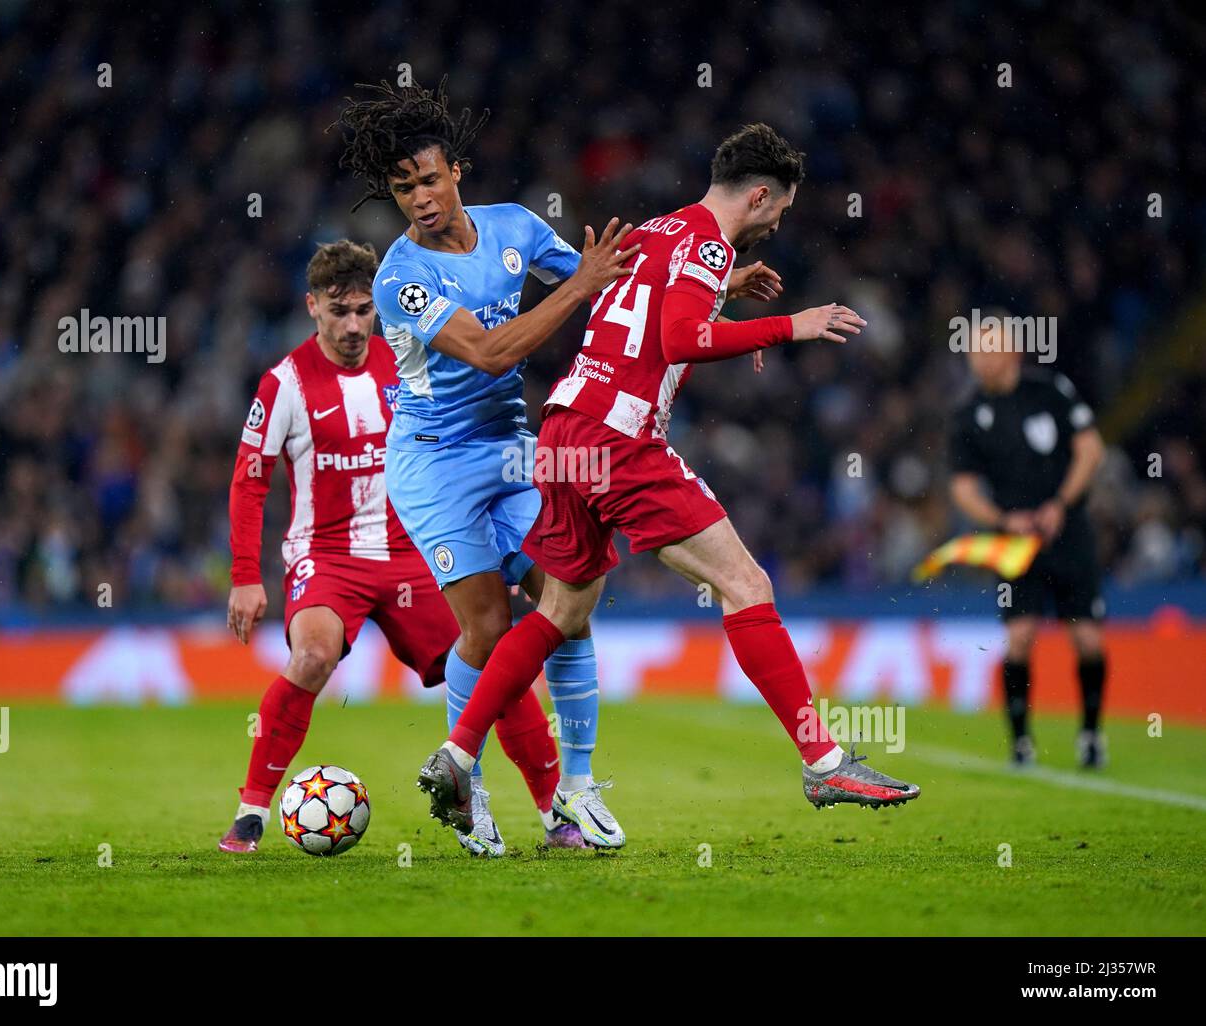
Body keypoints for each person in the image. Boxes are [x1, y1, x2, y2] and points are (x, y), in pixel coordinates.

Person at [416, 123, 921, 834]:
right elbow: (679, 337)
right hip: (620, 439)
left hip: (563, 432)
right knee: (747, 586)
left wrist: (726, 290)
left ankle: (457, 755)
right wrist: (787, 325)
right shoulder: (710, 244)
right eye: (780, 208)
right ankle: (824, 761)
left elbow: (647, 306)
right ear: (757, 195)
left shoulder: (659, 230)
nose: (779, 222)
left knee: (561, 611)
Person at [338, 77, 639, 850]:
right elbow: (491, 348)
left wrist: (718, 288)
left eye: (430, 179)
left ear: (457, 172)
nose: (420, 198)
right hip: (434, 465)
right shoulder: (398, 276)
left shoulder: (516, 227)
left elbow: (613, 284)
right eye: (404, 188)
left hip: (510, 456)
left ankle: (577, 789)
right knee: (489, 623)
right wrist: (578, 287)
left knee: (566, 603)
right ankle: (466, 790)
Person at [218, 240, 571, 854]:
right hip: (328, 558)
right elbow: (250, 480)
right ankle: (251, 814)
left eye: (363, 311)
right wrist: (246, 574)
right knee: (312, 657)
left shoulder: (410, 364)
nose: (354, 325)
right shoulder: (285, 384)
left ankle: (555, 813)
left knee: (492, 658)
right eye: (339, 312)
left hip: (415, 554)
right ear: (312, 308)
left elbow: (464, 444)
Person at [949, 319, 1108, 767]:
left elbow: (1091, 449)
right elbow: (962, 489)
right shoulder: (968, 414)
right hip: (1016, 546)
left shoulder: (1050, 391)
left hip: (1069, 535)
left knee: (1088, 640)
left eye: (987, 351)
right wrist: (1004, 519)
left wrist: (1060, 503)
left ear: (1012, 353)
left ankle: (1092, 734)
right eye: (973, 353)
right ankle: (1020, 740)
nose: (977, 360)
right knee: (1018, 639)